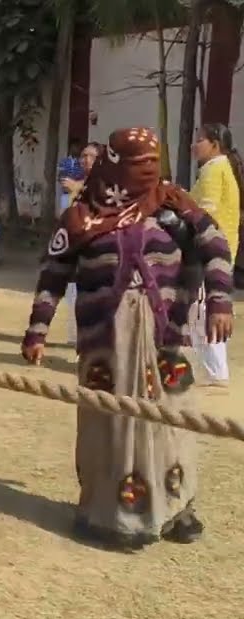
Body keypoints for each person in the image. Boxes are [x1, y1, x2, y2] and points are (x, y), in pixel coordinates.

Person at [21, 126, 234, 547]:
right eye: (138, 163)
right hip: (106, 343)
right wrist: (37, 330)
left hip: (165, 339)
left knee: (173, 421)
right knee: (110, 425)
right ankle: (111, 517)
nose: (148, 170)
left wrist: (220, 301)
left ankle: (176, 509)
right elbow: (54, 274)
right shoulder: (81, 216)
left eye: (152, 161)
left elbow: (215, 246)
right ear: (114, 165)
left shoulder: (174, 203)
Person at [188, 123, 241, 387]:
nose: (194, 145)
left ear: (215, 144)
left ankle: (215, 372)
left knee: (202, 309)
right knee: (205, 308)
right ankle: (212, 370)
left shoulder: (213, 169)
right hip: (221, 248)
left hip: (210, 250)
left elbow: (204, 212)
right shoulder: (220, 167)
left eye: (199, 140)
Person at [62, 141, 103, 347]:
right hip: (75, 243)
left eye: (91, 156)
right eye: (83, 156)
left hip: (97, 245)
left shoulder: (105, 184)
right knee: (73, 290)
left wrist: (79, 189)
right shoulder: (74, 184)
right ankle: (77, 335)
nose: (85, 160)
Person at [57, 137, 87, 213]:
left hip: (78, 194)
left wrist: (75, 183)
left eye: (78, 147)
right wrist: (64, 181)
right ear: (70, 148)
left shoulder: (82, 162)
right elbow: (60, 176)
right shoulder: (64, 161)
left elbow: (84, 177)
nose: (76, 149)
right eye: (74, 146)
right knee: (64, 214)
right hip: (66, 193)